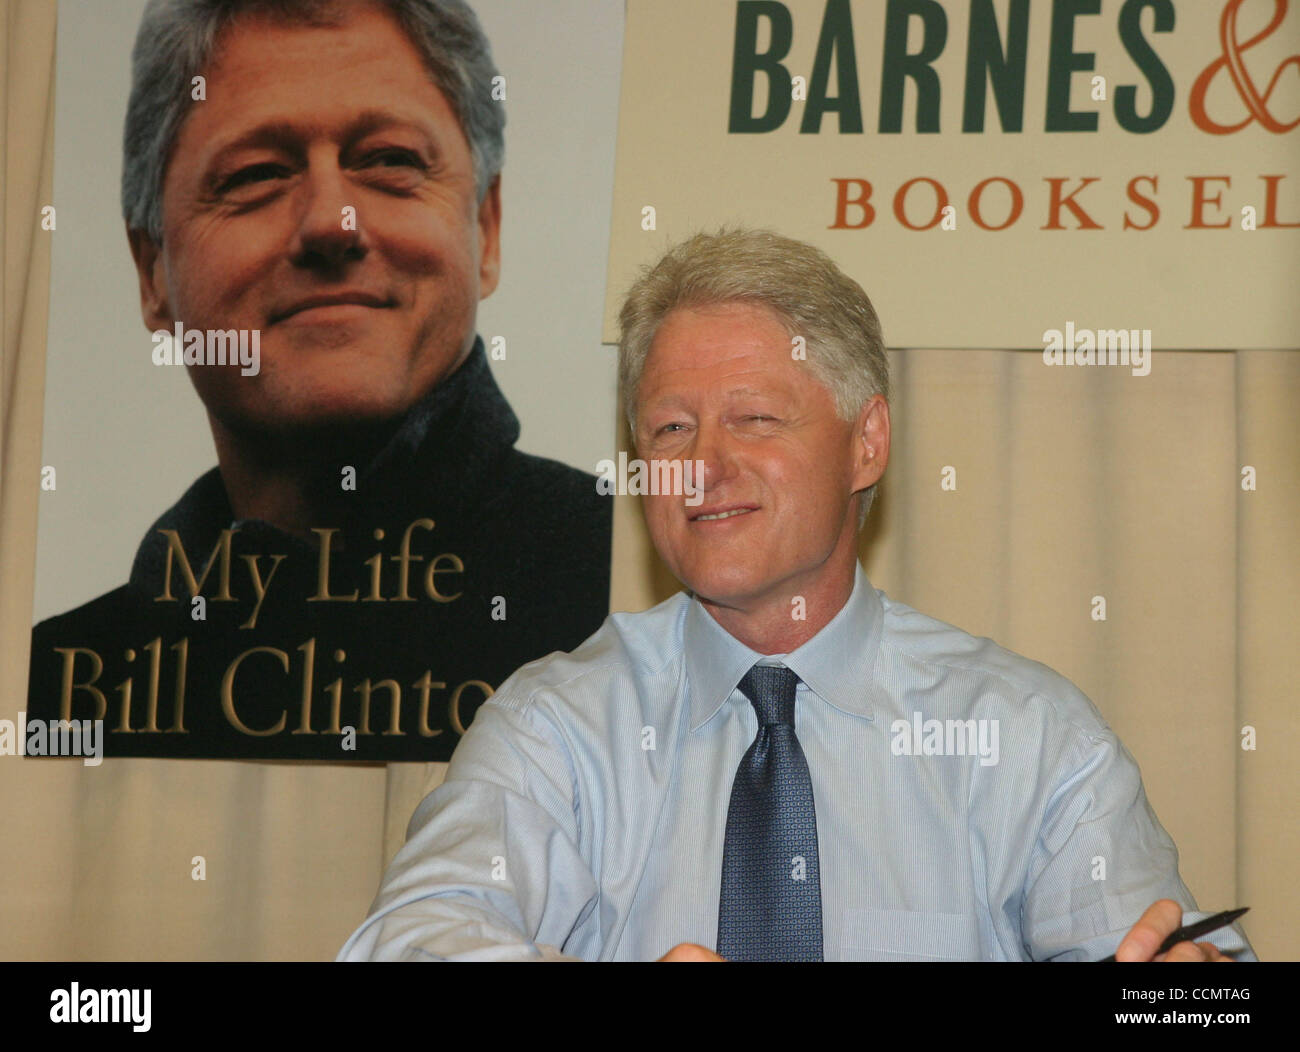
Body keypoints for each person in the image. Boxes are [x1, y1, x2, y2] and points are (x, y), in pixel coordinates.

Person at [339, 229, 1256, 961]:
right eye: (669, 428)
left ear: (867, 443)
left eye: (755, 418)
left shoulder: (1023, 735)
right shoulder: (559, 729)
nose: (705, 466)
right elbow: (410, 939)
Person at [26, 0, 610, 761]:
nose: (332, 223)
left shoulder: (637, 611)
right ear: (151, 271)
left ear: (486, 228)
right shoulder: (47, 689)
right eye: (256, 174)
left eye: (391, 159)